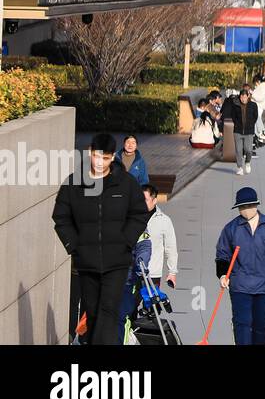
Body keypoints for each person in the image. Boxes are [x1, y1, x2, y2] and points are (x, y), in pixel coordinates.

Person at [52, 133, 150, 345]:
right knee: (93, 311)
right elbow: (61, 216)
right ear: (89, 152)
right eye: (97, 157)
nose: (99, 162)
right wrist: (74, 246)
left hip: (117, 261)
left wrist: (126, 241)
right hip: (86, 262)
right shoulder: (74, 182)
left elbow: (139, 214)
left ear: (112, 157)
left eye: (105, 158)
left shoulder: (126, 183)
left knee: (108, 309)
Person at [215, 187, 265, 345]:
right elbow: (222, 254)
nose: (246, 210)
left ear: (256, 206)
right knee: (242, 323)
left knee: (261, 324)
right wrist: (223, 274)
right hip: (240, 285)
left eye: (249, 206)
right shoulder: (231, 228)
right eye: (242, 207)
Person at [140, 184, 178, 290]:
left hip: (153, 274)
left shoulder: (164, 220)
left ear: (155, 200)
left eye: (145, 200)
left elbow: (171, 248)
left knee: (152, 305)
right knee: (129, 306)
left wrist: (172, 272)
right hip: (133, 273)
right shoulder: (131, 217)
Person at [223, 85, 259, 176]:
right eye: (241, 97)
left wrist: (250, 125)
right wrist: (237, 124)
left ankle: (247, 162)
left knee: (248, 150)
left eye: (245, 96)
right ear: (240, 97)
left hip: (249, 131)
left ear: (248, 97)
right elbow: (233, 116)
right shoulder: (235, 105)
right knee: (238, 150)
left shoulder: (253, 105)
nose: (243, 98)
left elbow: (255, 116)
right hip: (237, 131)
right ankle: (239, 167)